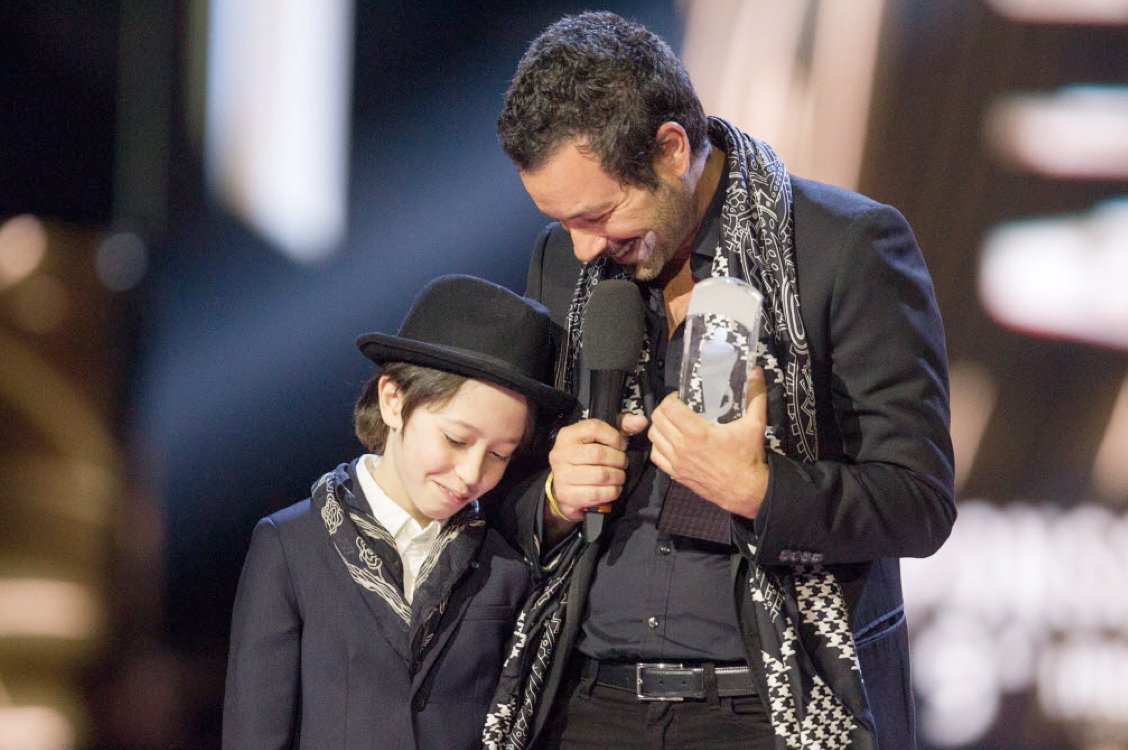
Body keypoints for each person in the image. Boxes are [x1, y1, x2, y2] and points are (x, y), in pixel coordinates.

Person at [483, 11, 956, 750]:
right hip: (586, 705)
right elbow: (501, 487)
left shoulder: (846, 247)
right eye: (563, 221)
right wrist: (552, 497)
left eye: (599, 214)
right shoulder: (562, 264)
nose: (582, 249)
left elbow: (918, 502)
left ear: (671, 150)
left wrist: (761, 491)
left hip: (771, 710)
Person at [222, 274, 575, 749]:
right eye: (456, 439)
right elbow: (255, 732)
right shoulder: (291, 546)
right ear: (393, 400)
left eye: (499, 455)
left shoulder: (504, 564)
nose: (472, 473)